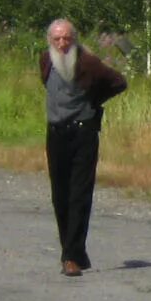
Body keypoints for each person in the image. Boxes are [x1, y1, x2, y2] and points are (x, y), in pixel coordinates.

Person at [40, 18, 127, 277]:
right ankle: (72, 251)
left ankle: (71, 257)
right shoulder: (45, 60)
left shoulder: (87, 62)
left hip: (83, 132)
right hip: (56, 133)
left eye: (66, 38)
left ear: (74, 39)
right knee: (60, 195)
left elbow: (119, 83)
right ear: (50, 40)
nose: (62, 43)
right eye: (57, 39)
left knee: (79, 194)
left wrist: (92, 102)